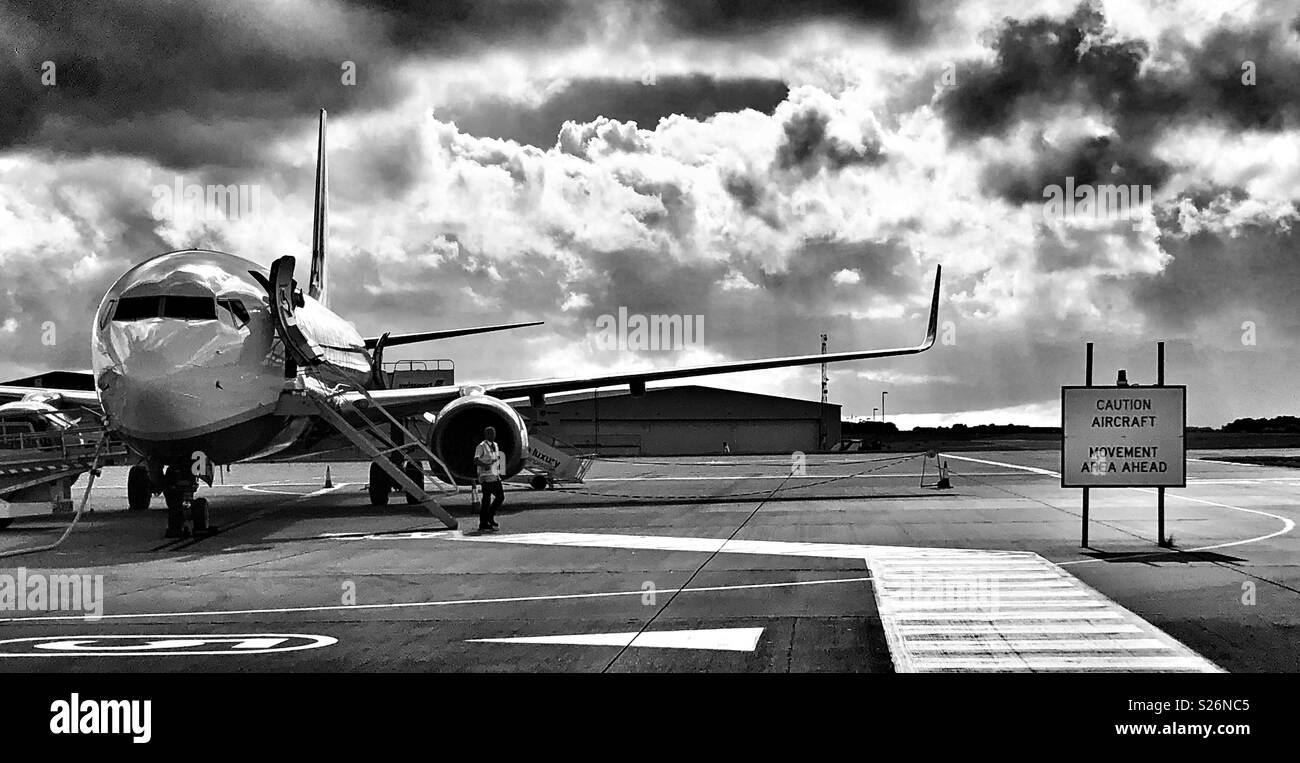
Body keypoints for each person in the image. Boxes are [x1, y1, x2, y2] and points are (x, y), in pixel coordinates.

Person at [475, 426, 504, 532]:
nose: (492, 435)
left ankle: (489, 517)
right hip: (486, 477)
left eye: (493, 433)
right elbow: (476, 460)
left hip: (495, 476)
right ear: (486, 435)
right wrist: (484, 465)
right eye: (490, 434)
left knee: (500, 497)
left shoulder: (495, 445)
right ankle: (483, 522)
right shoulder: (481, 446)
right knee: (486, 499)